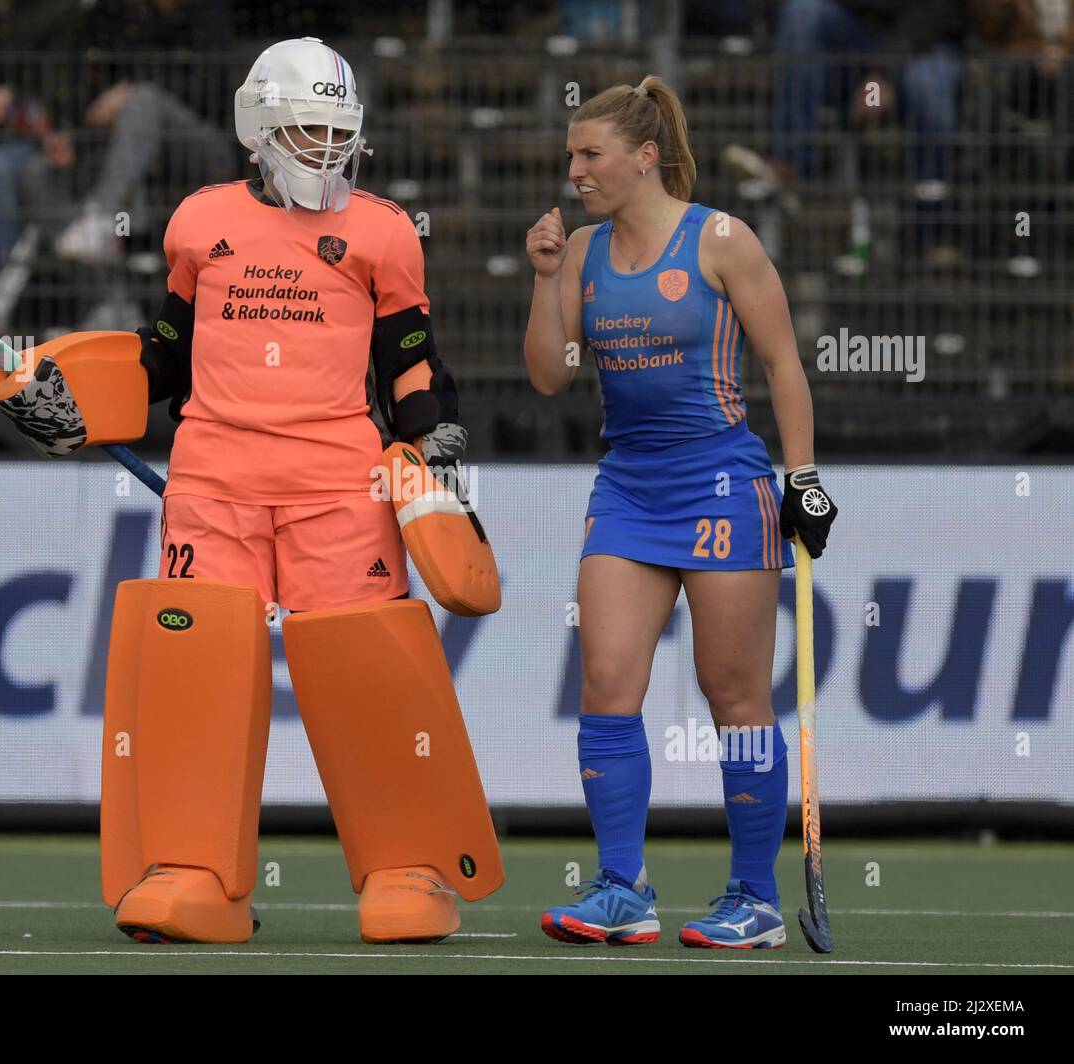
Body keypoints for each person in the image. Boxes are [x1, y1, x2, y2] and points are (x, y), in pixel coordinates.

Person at [101, 37, 502, 945]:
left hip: (339, 487)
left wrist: (430, 435)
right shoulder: (199, 223)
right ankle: (195, 872)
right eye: (306, 128)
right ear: (260, 127)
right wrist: (74, 395)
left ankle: (408, 869)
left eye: (337, 132)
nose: (324, 149)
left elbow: (408, 360)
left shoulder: (385, 232)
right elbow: (162, 351)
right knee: (195, 678)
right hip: (213, 483)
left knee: (370, 678)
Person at [524, 76, 838, 948]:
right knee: (605, 690)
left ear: (644, 157)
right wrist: (546, 279)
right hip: (627, 486)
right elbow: (550, 374)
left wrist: (803, 477)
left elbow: (783, 366)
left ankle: (754, 897)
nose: (576, 171)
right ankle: (623, 888)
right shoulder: (581, 251)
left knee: (734, 698)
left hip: (722, 485)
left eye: (591, 155)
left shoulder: (722, 241)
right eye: (572, 157)